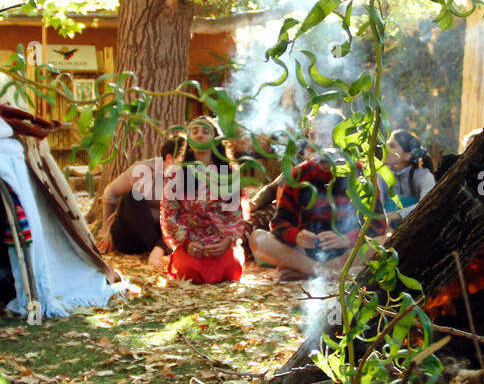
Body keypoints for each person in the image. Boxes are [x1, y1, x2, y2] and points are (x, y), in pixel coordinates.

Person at [250, 109, 384, 280]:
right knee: (257, 238)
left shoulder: (360, 173)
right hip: (307, 252)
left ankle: (305, 272)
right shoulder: (298, 175)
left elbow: (378, 225)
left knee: (384, 241)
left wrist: (347, 238)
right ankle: (327, 273)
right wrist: (297, 236)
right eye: (313, 136)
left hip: (347, 252)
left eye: (324, 136)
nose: (317, 143)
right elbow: (279, 224)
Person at [159, 116, 247, 284]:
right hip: (190, 242)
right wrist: (187, 243)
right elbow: (169, 215)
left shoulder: (229, 173)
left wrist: (226, 243)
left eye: (206, 132)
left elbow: (236, 215)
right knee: (189, 272)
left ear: (215, 141)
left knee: (230, 270)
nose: (200, 135)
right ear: (189, 143)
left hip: (221, 243)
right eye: (195, 131)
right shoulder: (175, 175)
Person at [96, 138, 180, 266]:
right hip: (132, 236)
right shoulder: (145, 169)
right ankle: (156, 252)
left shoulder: (189, 176)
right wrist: (106, 232)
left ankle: (158, 252)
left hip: (163, 236)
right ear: (169, 158)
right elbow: (111, 191)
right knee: (132, 197)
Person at [380, 130, 436, 224]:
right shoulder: (382, 176)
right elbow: (377, 205)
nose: (386, 149)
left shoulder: (424, 176)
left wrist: (396, 215)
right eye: (387, 145)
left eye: (392, 146)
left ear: (408, 155)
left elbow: (428, 204)